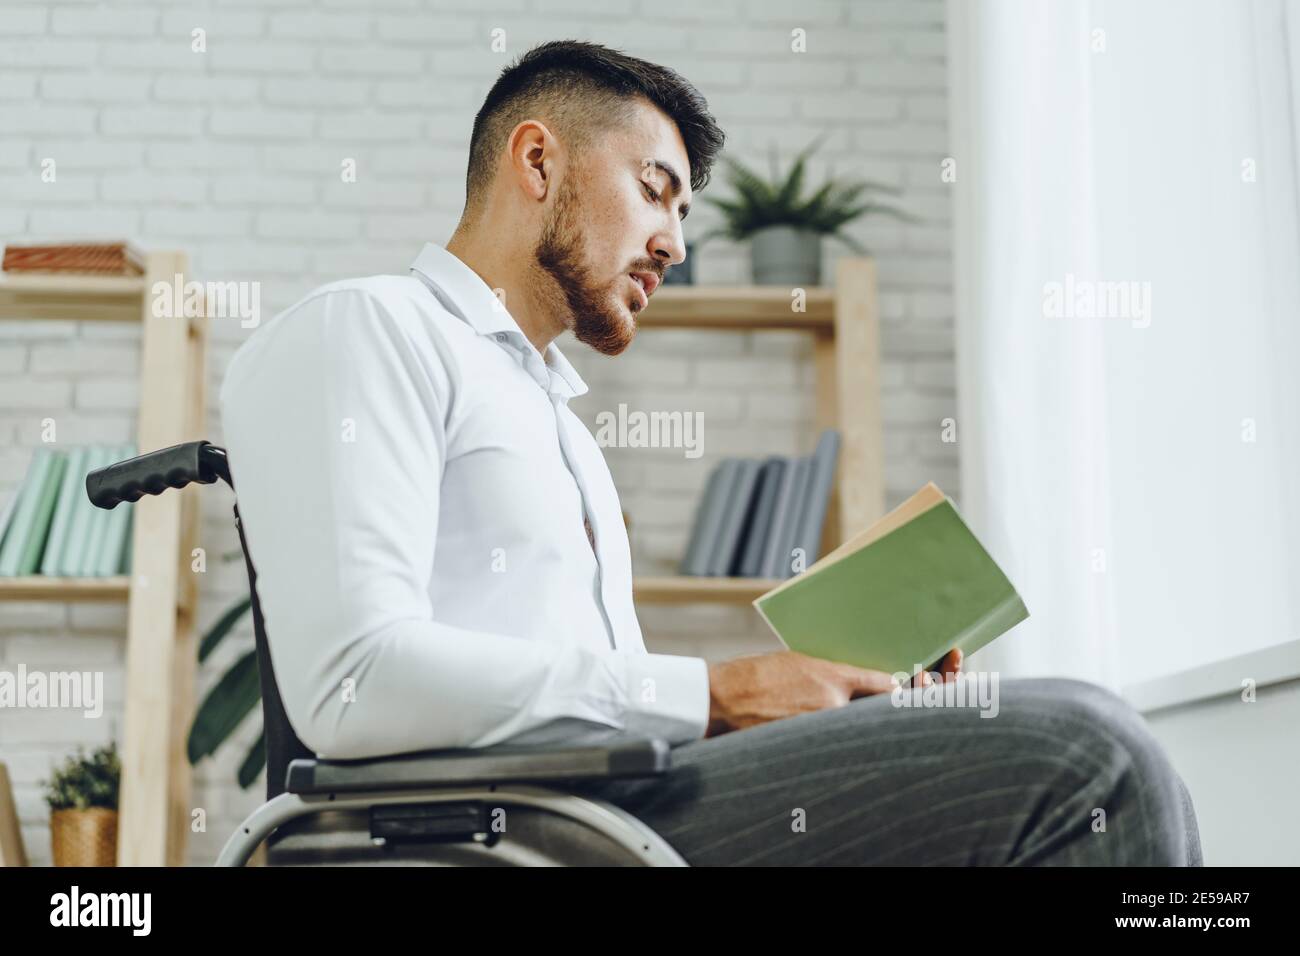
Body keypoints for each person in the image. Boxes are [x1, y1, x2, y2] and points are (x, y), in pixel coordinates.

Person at [219, 39, 1201, 866]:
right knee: (1089, 750)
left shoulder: (555, 418)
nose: (674, 243)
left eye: (682, 213)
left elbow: (612, 703)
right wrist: (720, 692)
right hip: (500, 836)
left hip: (600, 805)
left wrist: (817, 701)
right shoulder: (366, 327)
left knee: (1066, 725)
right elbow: (353, 684)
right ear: (537, 161)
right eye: (656, 194)